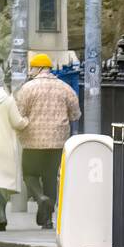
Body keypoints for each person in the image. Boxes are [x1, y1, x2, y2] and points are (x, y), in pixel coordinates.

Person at [14, 52, 80, 229]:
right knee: (50, 177)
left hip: (32, 141)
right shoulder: (64, 87)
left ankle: (40, 198)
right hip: (57, 142)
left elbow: (19, 113)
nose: (31, 71)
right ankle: (48, 220)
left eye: (33, 67)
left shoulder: (28, 88)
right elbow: (76, 113)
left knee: (29, 174)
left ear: (39, 68)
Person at [0, 64, 26, 231]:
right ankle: (2, 214)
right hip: (3, 146)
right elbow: (17, 122)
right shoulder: (7, 100)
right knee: (0, 182)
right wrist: (26, 121)